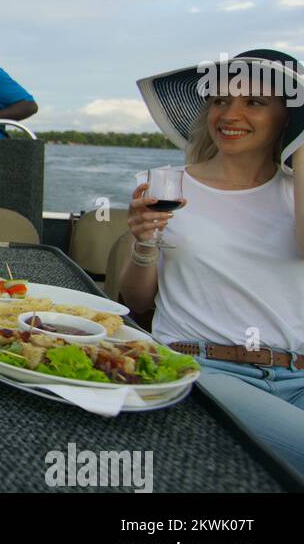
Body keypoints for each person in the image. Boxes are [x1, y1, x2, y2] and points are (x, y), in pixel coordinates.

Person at [123, 49, 304, 474]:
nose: (230, 114)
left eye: (255, 102)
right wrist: (144, 241)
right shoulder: (166, 184)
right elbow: (136, 301)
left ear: (289, 117)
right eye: (221, 100)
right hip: (201, 367)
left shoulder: (295, 192)